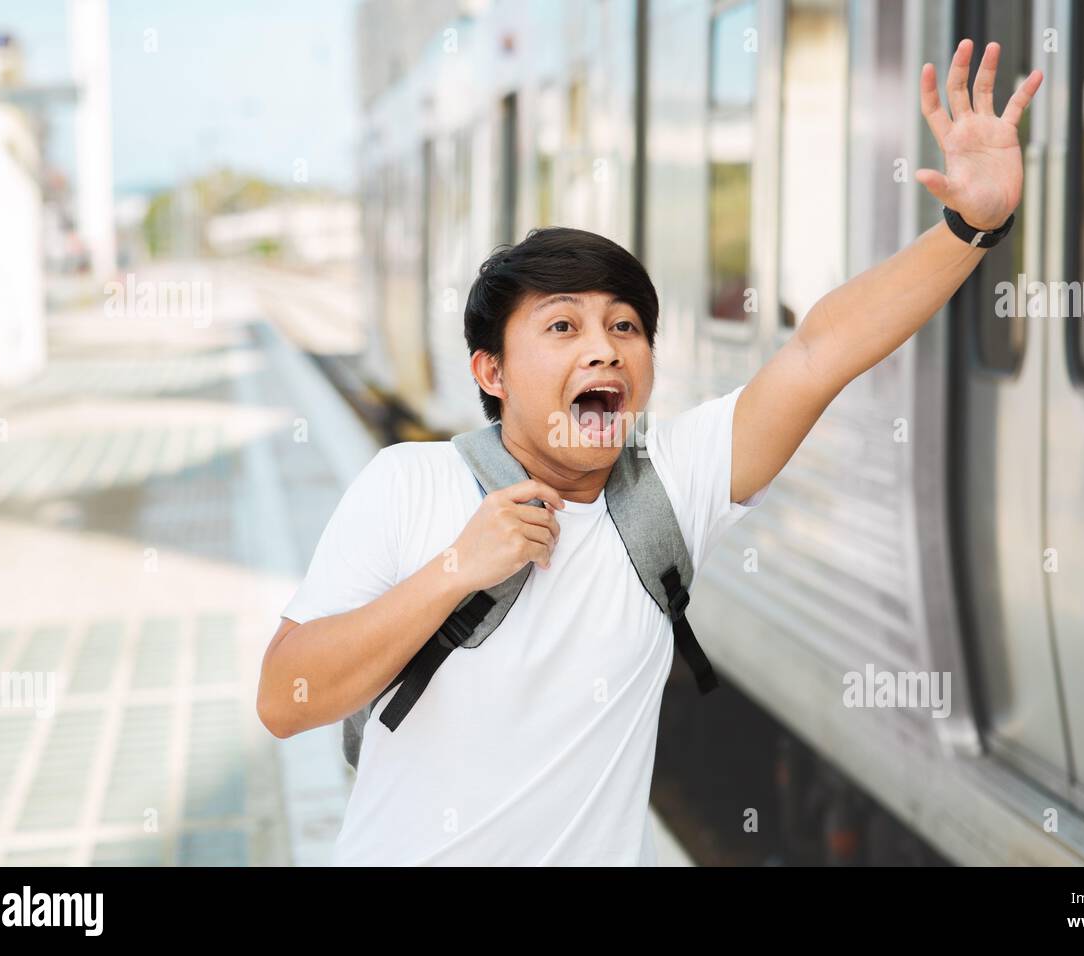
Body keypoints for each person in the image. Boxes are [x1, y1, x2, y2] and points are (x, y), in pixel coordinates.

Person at [256, 38, 1042, 865]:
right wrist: (455, 569)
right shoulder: (409, 485)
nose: (604, 350)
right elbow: (284, 699)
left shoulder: (670, 482)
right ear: (491, 372)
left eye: (625, 328)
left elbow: (821, 351)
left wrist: (970, 227)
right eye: (563, 326)